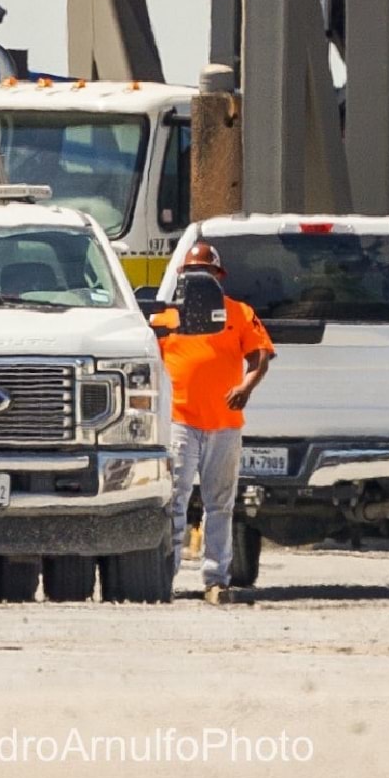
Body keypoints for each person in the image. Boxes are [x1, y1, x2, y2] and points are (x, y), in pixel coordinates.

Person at [157, 240, 274, 603]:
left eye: (205, 272)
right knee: (172, 499)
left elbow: (260, 358)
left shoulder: (238, 313)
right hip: (180, 421)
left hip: (224, 424)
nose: (199, 278)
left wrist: (246, 387)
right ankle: (164, 577)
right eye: (193, 273)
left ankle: (216, 579)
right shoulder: (165, 319)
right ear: (182, 278)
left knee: (219, 503)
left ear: (218, 277)